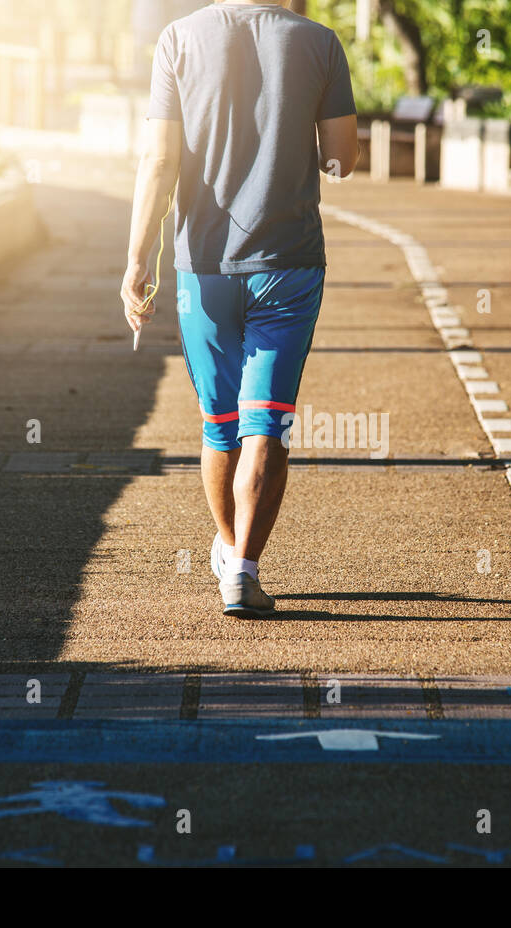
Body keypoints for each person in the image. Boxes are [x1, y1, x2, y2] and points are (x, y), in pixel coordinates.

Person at [121, 0, 358, 618]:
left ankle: (228, 549)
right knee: (267, 423)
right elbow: (342, 159)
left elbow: (160, 161)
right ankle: (244, 570)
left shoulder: (178, 39)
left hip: (202, 265)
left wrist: (136, 259)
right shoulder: (319, 42)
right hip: (289, 261)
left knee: (219, 422)